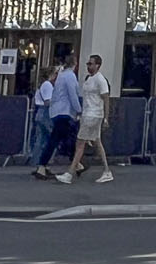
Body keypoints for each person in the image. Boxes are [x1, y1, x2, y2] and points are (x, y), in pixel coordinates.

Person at [57, 53, 114, 184]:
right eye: (88, 64)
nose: (88, 66)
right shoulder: (89, 79)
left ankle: (70, 173)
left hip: (93, 115)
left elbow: (106, 98)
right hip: (89, 113)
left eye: (90, 64)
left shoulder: (100, 80)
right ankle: (106, 171)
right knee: (97, 143)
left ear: (97, 65)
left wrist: (106, 117)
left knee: (80, 143)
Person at [34, 54, 80, 179]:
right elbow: (73, 95)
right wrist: (78, 110)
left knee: (60, 138)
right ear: (75, 64)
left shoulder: (61, 76)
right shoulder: (70, 76)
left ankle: (76, 163)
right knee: (60, 138)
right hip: (64, 112)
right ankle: (43, 165)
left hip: (57, 112)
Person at [27, 69, 57, 174]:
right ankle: (44, 164)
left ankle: (37, 163)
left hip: (40, 112)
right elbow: (48, 101)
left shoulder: (42, 85)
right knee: (50, 140)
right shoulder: (48, 85)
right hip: (46, 113)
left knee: (40, 140)